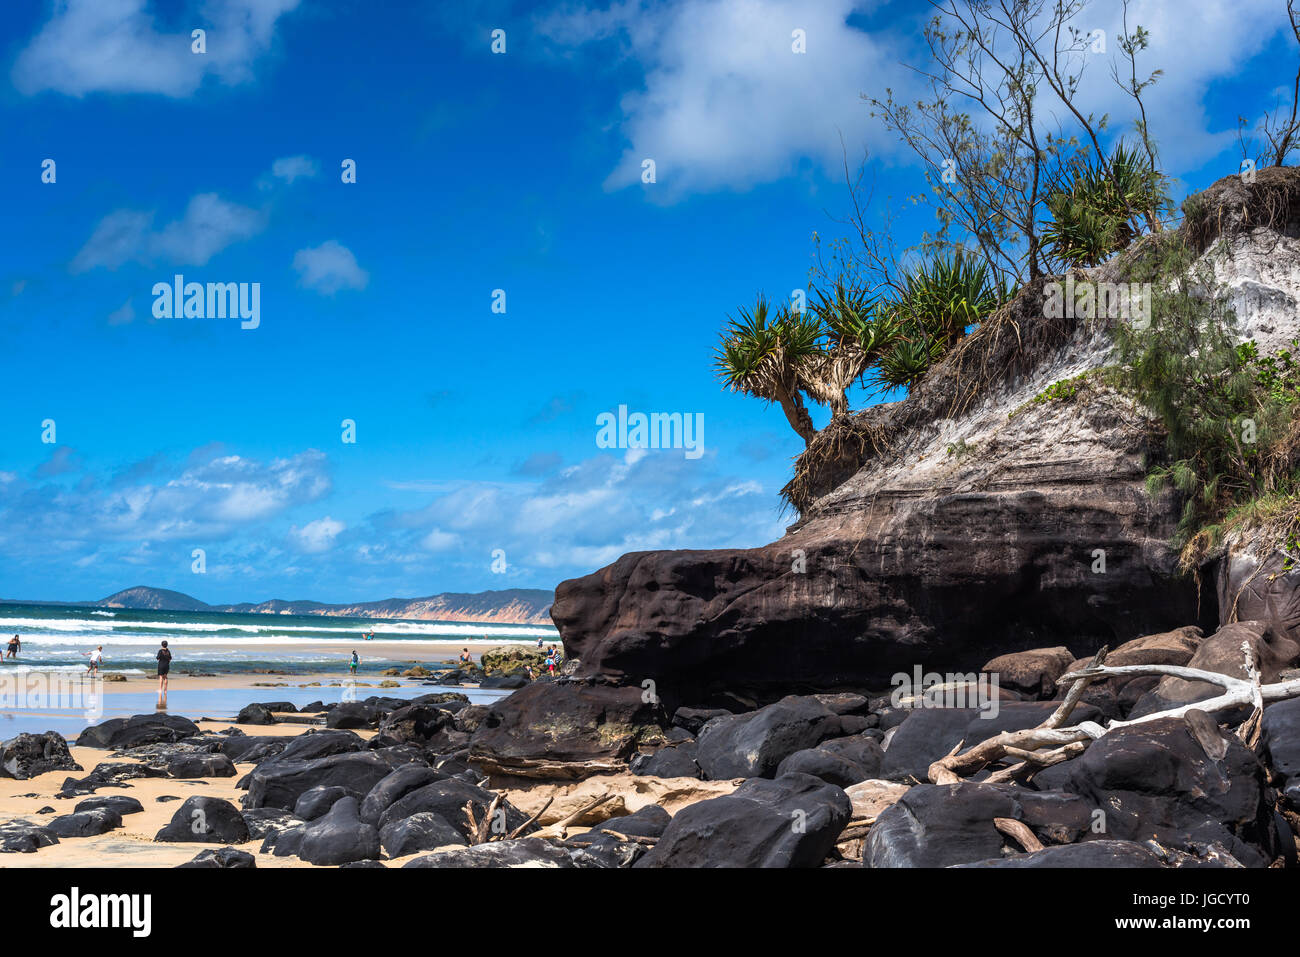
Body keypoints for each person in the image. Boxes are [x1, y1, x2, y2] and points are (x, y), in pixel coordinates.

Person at [156, 641, 171, 708]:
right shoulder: (168, 651)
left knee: (161, 677)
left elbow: (158, 658)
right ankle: (165, 690)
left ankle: (160, 689)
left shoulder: (160, 651)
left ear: (162, 645)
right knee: (166, 677)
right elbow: (170, 658)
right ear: (167, 645)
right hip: (167, 665)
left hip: (161, 665)